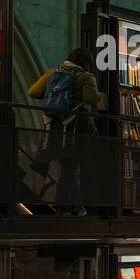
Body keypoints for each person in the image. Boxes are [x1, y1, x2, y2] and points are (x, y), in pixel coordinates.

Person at [27, 47, 99, 215]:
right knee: (72, 168)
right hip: (76, 130)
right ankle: (64, 207)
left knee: (67, 169)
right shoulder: (86, 77)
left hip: (56, 129)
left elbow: (33, 92)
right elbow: (91, 98)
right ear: (86, 64)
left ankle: (73, 207)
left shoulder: (53, 74)